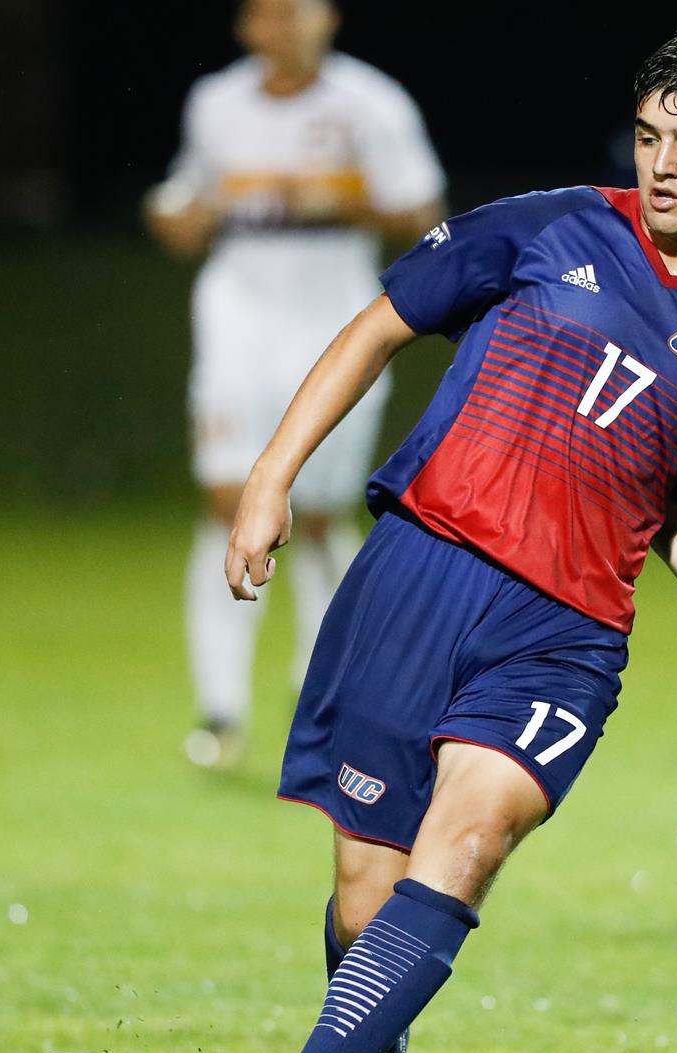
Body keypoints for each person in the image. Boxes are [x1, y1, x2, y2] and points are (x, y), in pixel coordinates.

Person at [223, 25, 677, 1053]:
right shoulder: (550, 226)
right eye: (647, 137)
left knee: (469, 842)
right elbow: (375, 328)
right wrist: (268, 479)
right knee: (363, 893)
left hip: (561, 633)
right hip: (417, 578)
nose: (662, 164)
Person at [144, 0, 445, 770]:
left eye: (297, 10)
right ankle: (220, 711)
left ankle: (322, 691)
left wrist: (345, 200)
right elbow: (188, 197)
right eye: (268, 13)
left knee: (314, 515)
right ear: (246, 25)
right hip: (237, 323)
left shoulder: (369, 104)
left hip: (334, 330)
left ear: (328, 18)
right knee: (226, 502)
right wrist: (176, 213)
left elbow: (427, 212)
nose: (284, 24)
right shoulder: (216, 103)